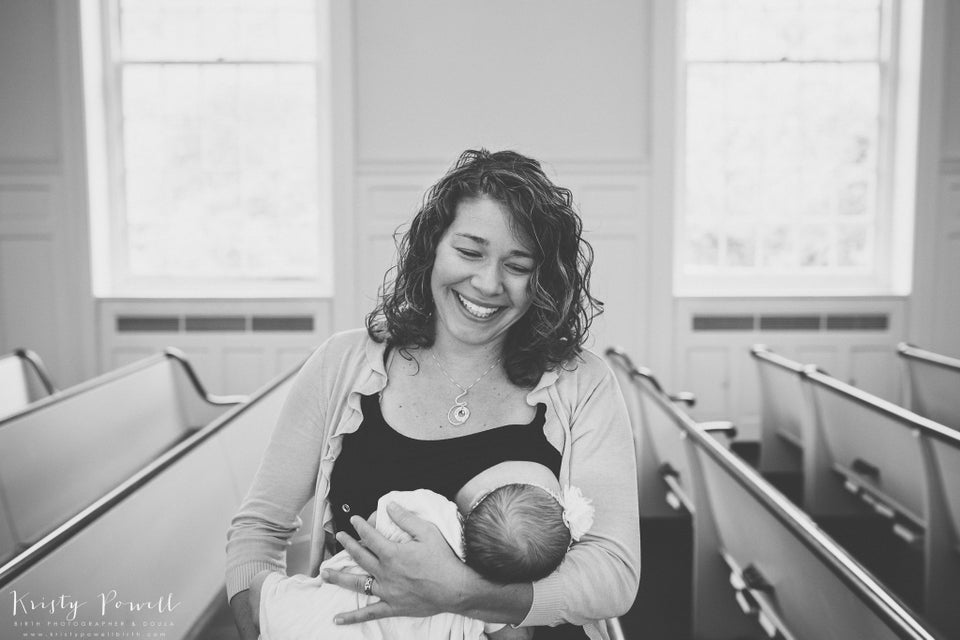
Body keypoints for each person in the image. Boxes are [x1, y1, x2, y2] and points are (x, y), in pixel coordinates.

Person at [226, 148, 640, 640]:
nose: (487, 283)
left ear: (542, 280)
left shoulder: (583, 384)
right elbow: (259, 529)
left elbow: (613, 573)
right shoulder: (341, 365)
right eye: (469, 252)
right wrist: (263, 618)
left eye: (518, 264)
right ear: (432, 249)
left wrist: (460, 593)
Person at [252, 461, 595, 639]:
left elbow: (380, 517)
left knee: (265, 594)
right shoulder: (491, 603)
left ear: (477, 505)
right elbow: (513, 635)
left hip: (330, 617)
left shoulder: (434, 513)